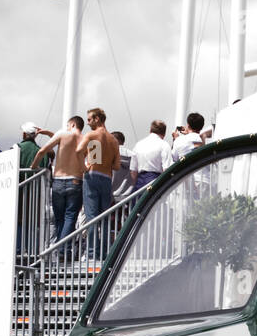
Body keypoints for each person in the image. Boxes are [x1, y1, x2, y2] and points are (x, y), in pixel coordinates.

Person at [33, 114, 86, 258]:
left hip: (58, 181)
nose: (66, 128)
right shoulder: (85, 139)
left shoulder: (62, 135)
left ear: (73, 125)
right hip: (75, 181)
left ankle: (63, 250)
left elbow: (42, 151)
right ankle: (65, 250)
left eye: (68, 126)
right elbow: (92, 160)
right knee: (70, 217)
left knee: (60, 219)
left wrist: (33, 167)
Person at [75, 107, 120, 259]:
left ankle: (92, 253)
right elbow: (117, 166)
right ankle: (105, 253)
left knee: (92, 216)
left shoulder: (92, 135)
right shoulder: (113, 140)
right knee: (105, 217)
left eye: (89, 119)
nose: (87, 123)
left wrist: (83, 168)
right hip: (106, 178)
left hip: (92, 175)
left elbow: (78, 150)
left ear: (97, 119)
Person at [130, 119, 171, 191]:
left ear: (150, 130)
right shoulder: (164, 145)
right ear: (164, 134)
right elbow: (166, 170)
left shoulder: (138, 144)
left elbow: (133, 171)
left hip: (139, 183)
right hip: (155, 181)